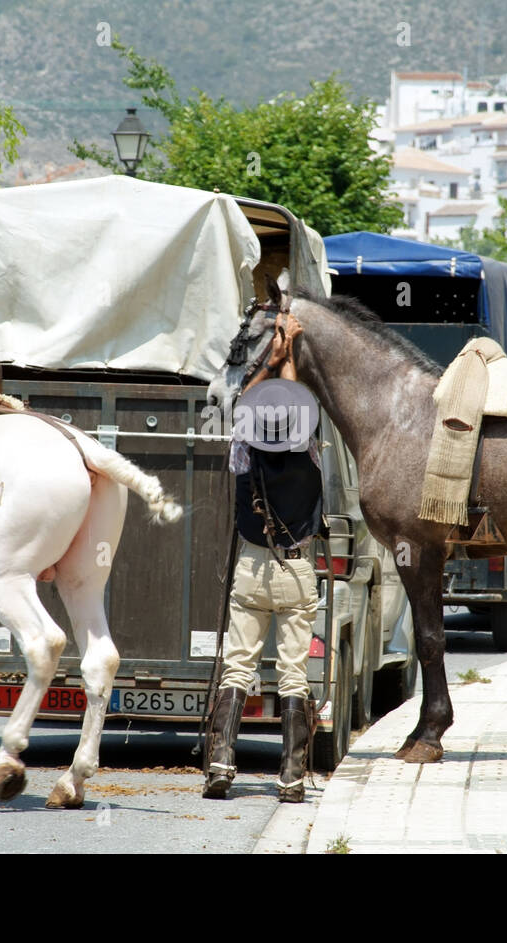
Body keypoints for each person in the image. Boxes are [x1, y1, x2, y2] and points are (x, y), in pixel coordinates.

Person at [204, 311, 326, 803]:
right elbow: (292, 411)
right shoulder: (310, 453)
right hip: (295, 569)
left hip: (251, 567)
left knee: (238, 667)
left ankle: (219, 764)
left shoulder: (242, 452)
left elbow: (243, 409)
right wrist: (291, 354)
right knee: (293, 673)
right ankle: (292, 778)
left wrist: (270, 361)